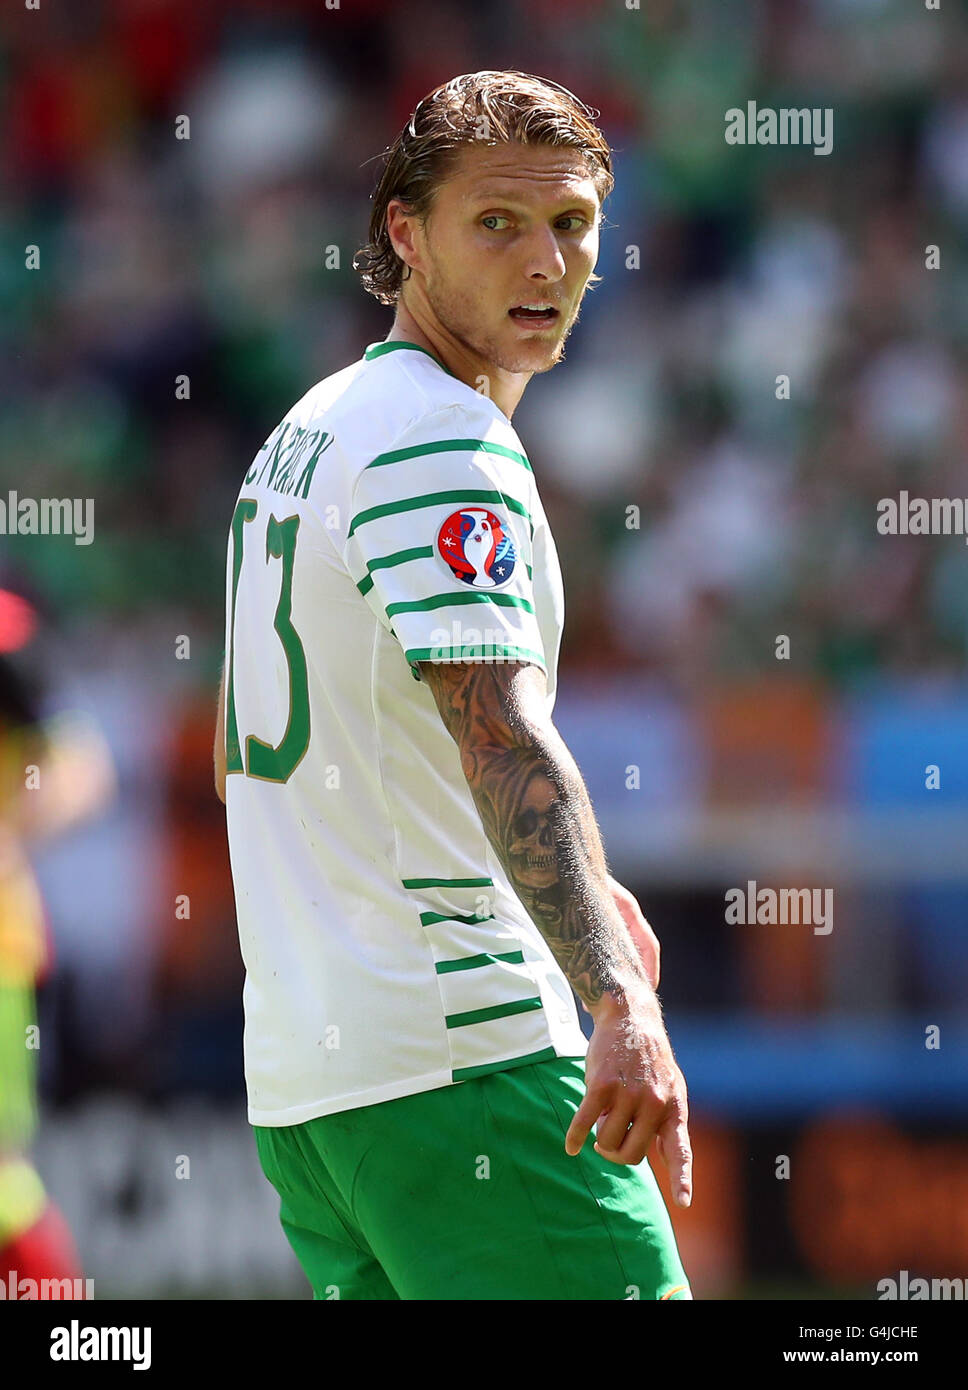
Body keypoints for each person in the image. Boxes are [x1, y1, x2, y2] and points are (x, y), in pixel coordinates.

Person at [215, 70, 692, 1300]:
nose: (544, 259)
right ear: (404, 235)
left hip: (319, 1101)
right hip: (466, 1065)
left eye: (572, 222)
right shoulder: (437, 435)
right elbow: (500, 738)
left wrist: (575, 883)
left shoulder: (314, 425)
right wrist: (614, 990)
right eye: (497, 222)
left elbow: (389, 743)